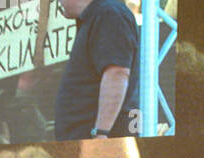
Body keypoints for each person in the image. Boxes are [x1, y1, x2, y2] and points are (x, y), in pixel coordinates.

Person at [54, 0, 140, 141]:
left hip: (101, 141)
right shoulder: (100, 15)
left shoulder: (109, 13)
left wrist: (101, 133)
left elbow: (117, 73)